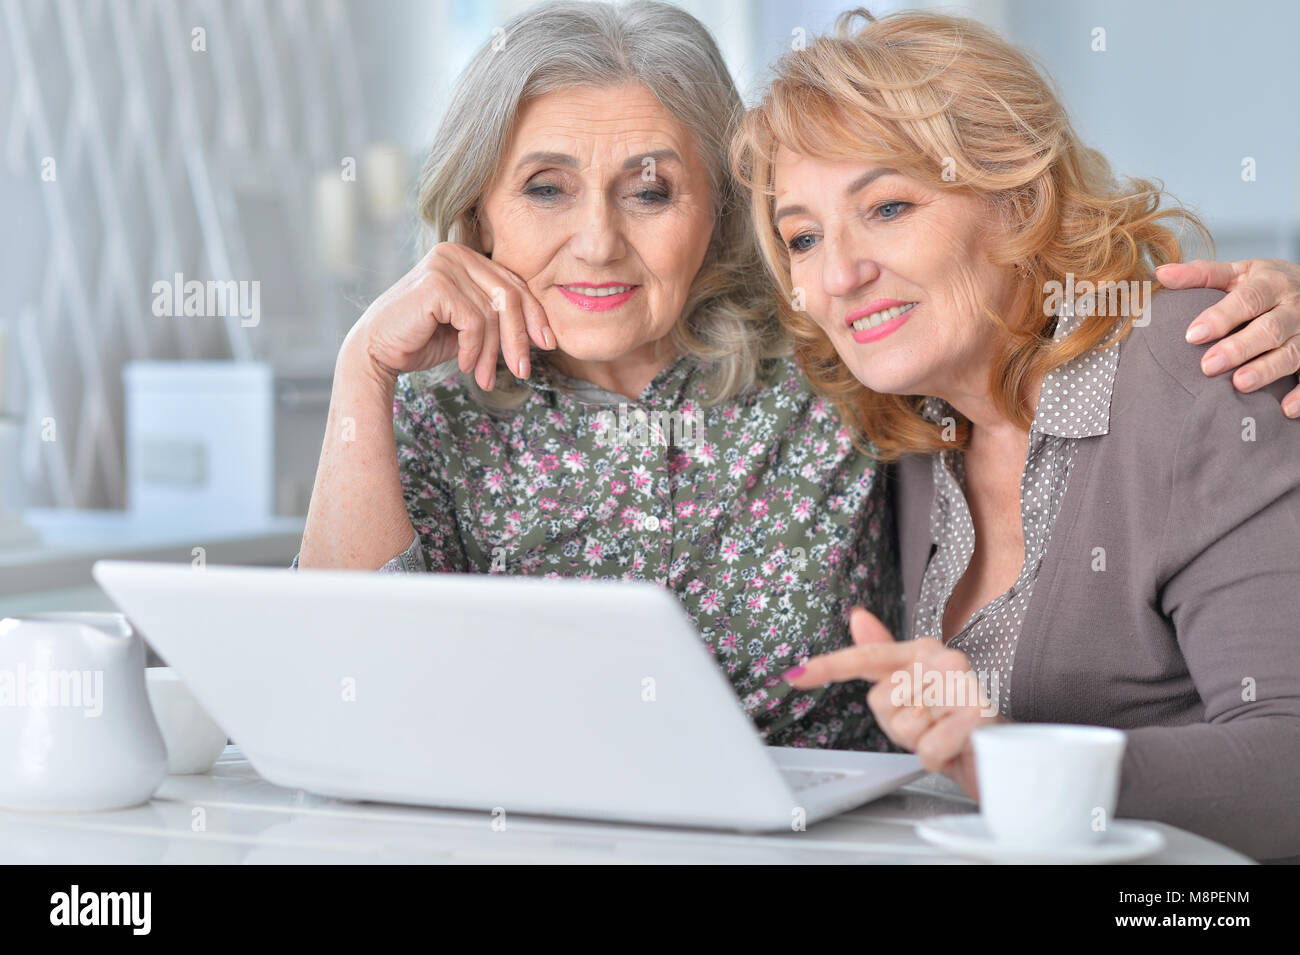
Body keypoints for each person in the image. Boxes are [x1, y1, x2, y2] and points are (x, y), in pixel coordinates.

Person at [297, 2, 1300, 761]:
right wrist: (358, 372)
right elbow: (333, 703)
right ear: (477, 212)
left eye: (651, 190)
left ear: (717, 218)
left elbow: (1031, 311)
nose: (596, 241)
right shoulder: (426, 410)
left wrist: (1274, 301)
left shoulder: (829, 356)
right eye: (544, 188)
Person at [734, 9, 1300, 859]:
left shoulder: (1200, 368)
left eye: (888, 206)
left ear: (1019, 201)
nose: (840, 273)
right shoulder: (905, 416)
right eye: (804, 237)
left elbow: (1286, 765)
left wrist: (1001, 758)